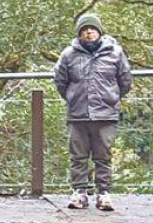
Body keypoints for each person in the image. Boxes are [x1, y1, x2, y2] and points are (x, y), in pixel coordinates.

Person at [53, 13, 133, 212]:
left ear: (99, 31)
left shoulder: (115, 53)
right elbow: (60, 81)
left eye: (92, 29)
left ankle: (103, 193)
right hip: (77, 113)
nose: (89, 32)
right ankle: (79, 192)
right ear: (79, 33)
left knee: (103, 155)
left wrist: (111, 98)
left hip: (106, 114)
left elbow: (125, 81)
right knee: (77, 155)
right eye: (84, 29)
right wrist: (73, 98)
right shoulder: (68, 54)